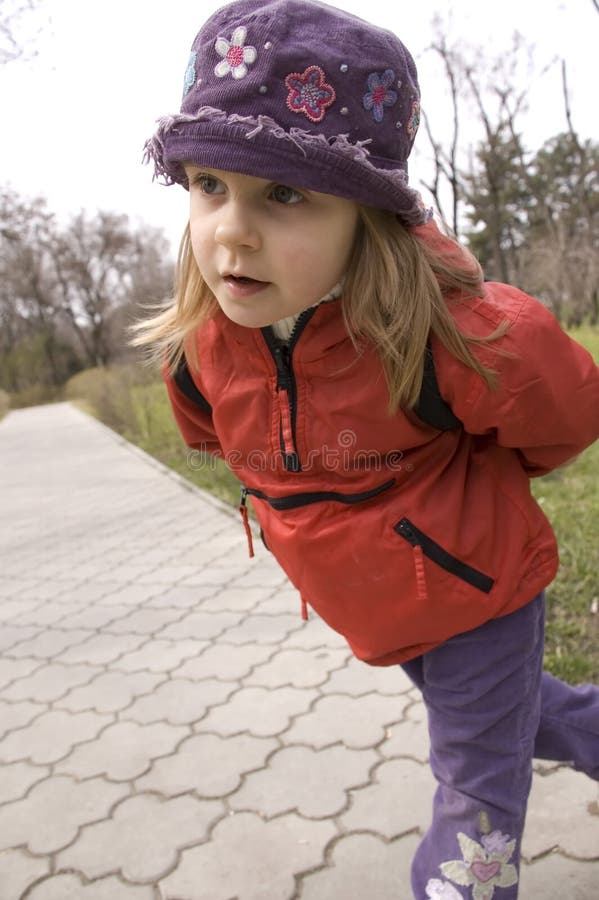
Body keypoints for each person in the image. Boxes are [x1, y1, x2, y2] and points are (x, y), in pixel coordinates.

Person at [131, 1, 599, 897]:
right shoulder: (199, 348)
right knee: (516, 719)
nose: (232, 229)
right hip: (380, 609)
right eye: (209, 185)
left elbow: (564, 415)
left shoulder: (442, 333)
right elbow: (213, 438)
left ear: (366, 214)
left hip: (474, 594)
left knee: (472, 793)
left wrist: (463, 492)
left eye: (285, 193)